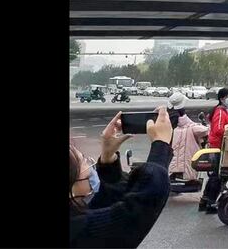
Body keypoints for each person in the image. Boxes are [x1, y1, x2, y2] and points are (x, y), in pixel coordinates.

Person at [69, 108, 173, 248]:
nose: (90, 165)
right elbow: (135, 211)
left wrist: (108, 159)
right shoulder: (78, 230)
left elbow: (105, 206)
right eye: (84, 161)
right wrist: (160, 146)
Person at [199, 87, 228, 213]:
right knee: (218, 176)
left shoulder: (225, 110)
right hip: (217, 147)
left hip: (220, 147)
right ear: (222, 98)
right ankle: (210, 204)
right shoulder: (220, 112)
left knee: (215, 176)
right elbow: (219, 130)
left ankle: (205, 201)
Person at [166, 92, 209, 184]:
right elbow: (207, 131)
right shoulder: (192, 127)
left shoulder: (167, 124)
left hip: (169, 166)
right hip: (188, 170)